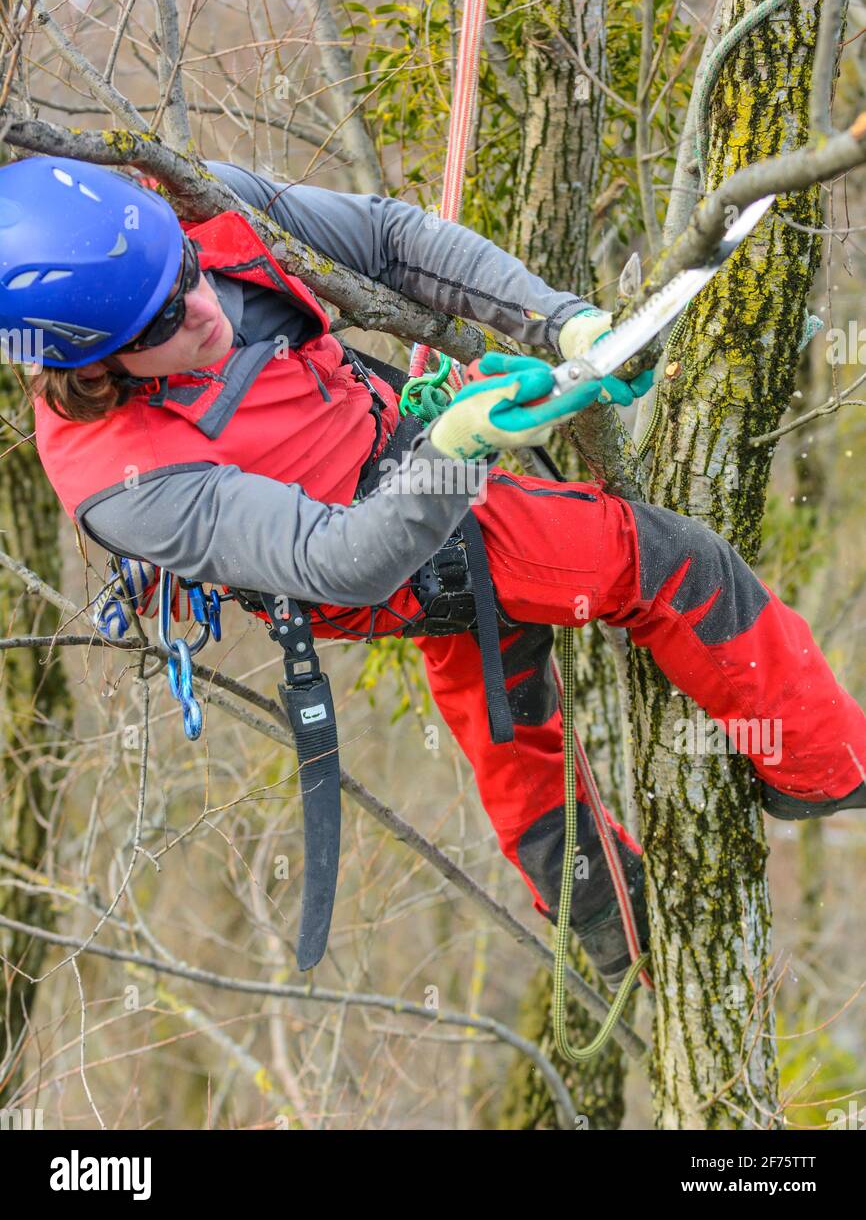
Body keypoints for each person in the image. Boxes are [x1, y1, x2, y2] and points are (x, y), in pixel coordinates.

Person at [4, 153, 865, 987]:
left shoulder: (194, 208)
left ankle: (606, 920)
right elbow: (341, 561)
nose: (201, 307)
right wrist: (459, 451)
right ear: (91, 362)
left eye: (188, 270)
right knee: (675, 564)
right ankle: (829, 772)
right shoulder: (120, 476)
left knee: (504, 675)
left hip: (397, 445)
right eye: (159, 324)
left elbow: (391, 241)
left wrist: (562, 322)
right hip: (362, 553)